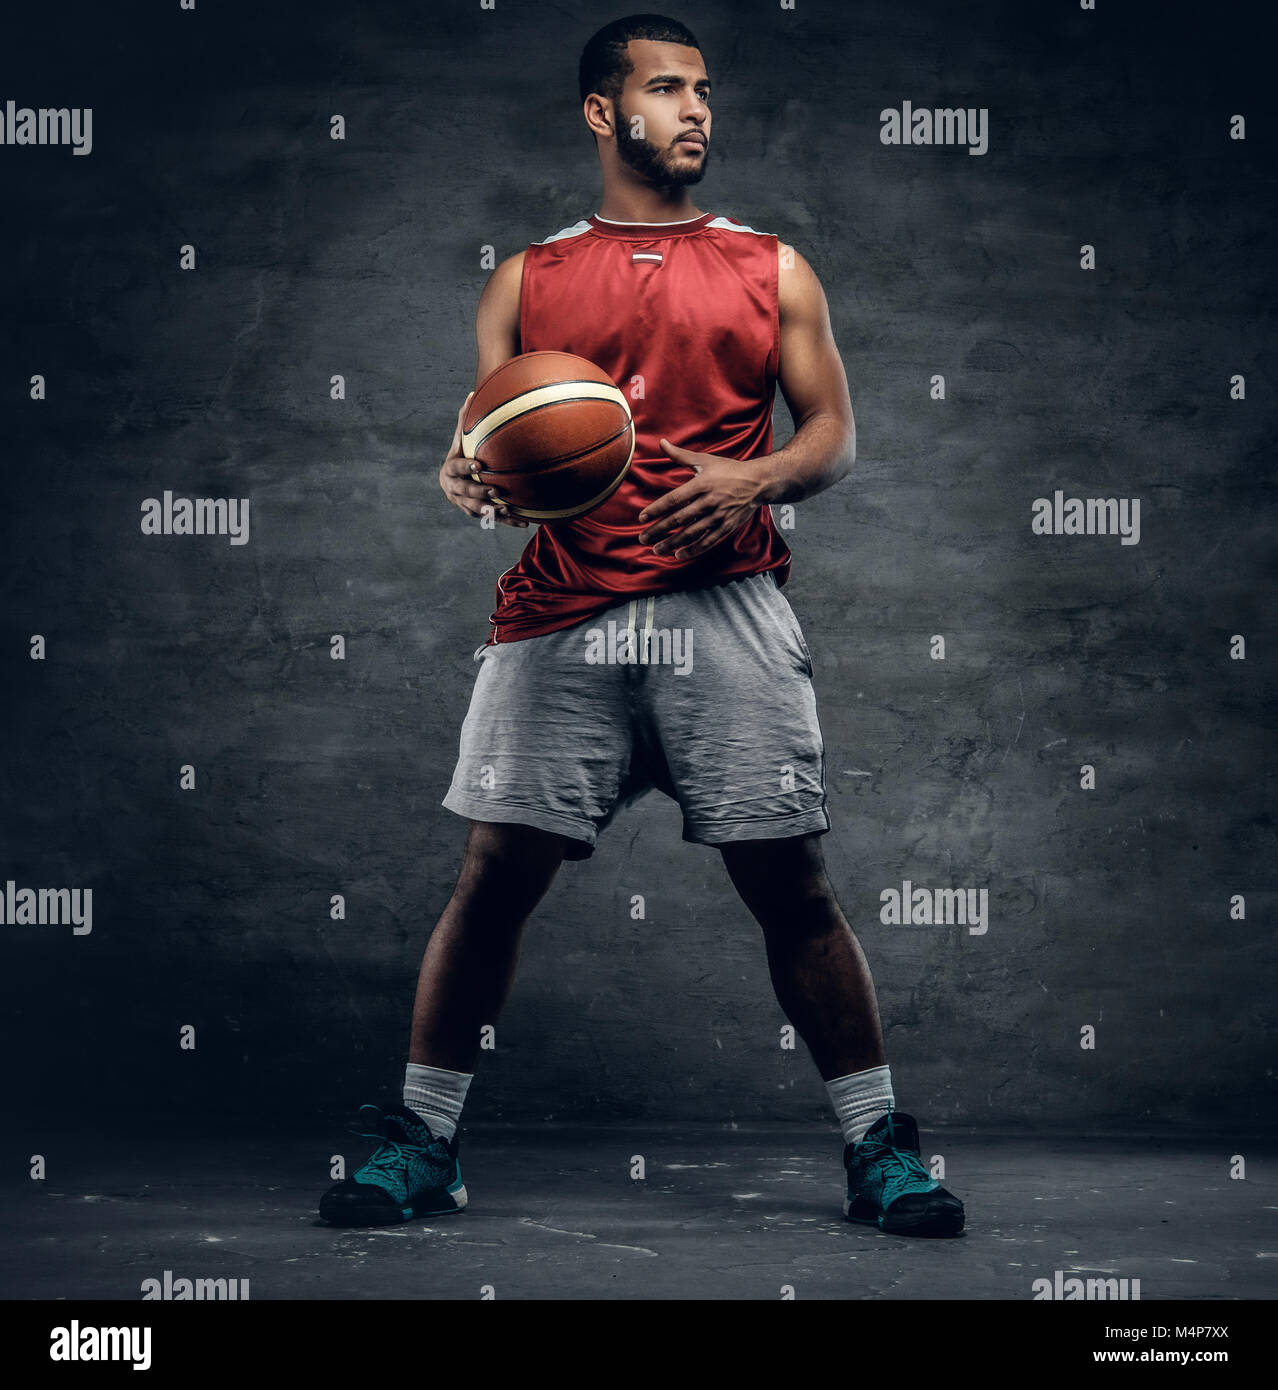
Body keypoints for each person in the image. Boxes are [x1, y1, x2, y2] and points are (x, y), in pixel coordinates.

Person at [319, 13, 964, 1240]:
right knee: (493, 879)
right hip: (561, 616)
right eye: (668, 90)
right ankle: (422, 1144)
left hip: (727, 611)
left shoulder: (774, 267)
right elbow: (488, 443)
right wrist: (462, 479)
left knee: (792, 884)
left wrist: (754, 478)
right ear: (603, 114)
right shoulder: (526, 276)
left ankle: (881, 1150)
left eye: (705, 90)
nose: (697, 111)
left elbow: (832, 436)